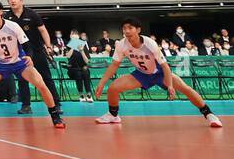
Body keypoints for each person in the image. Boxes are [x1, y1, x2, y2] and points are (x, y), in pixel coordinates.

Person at [93, 17, 222, 127]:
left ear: (138, 30)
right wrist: (102, 82)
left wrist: (170, 85)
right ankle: (113, 115)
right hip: (141, 74)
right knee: (113, 88)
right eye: (124, 28)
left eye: (130, 28)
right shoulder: (121, 45)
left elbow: (165, 66)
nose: (126, 31)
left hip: (159, 73)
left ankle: (209, 114)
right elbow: (114, 65)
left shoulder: (149, 43)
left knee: (185, 89)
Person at [0, 0, 64, 128]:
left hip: (20, 62)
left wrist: (29, 56)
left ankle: (55, 116)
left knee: (41, 84)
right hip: (0, 64)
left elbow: (27, 45)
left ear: (0, 12)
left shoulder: (12, 26)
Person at [5, 0, 61, 113]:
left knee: (46, 77)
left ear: (21, 0)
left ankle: (56, 104)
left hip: (37, 51)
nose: (12, 1)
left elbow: (43, 30)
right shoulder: (6, 17)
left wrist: (48, 46)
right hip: (20, 54)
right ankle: (26, 105)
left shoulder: (31, 14)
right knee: (22, 79)